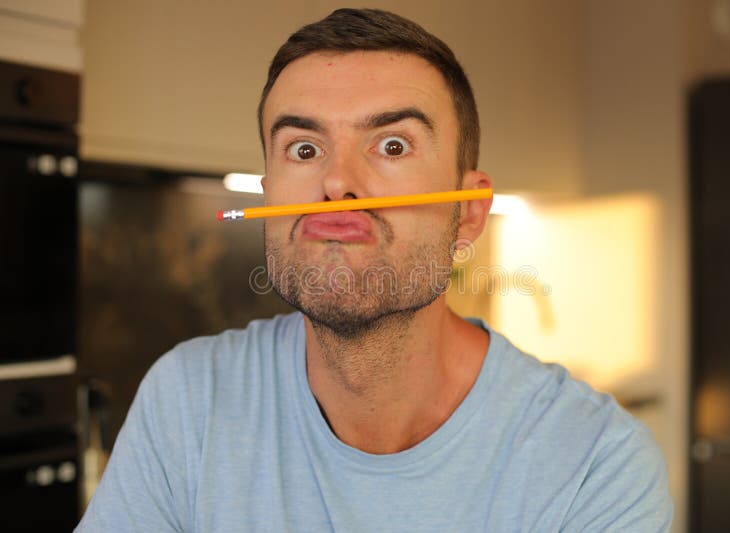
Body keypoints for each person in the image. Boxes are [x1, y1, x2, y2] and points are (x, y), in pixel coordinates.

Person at [77, 8, 672, 532]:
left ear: (467, 213)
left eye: (392, 146)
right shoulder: (187, 401)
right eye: (304, 150)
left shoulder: (595, 463)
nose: (337, 183)